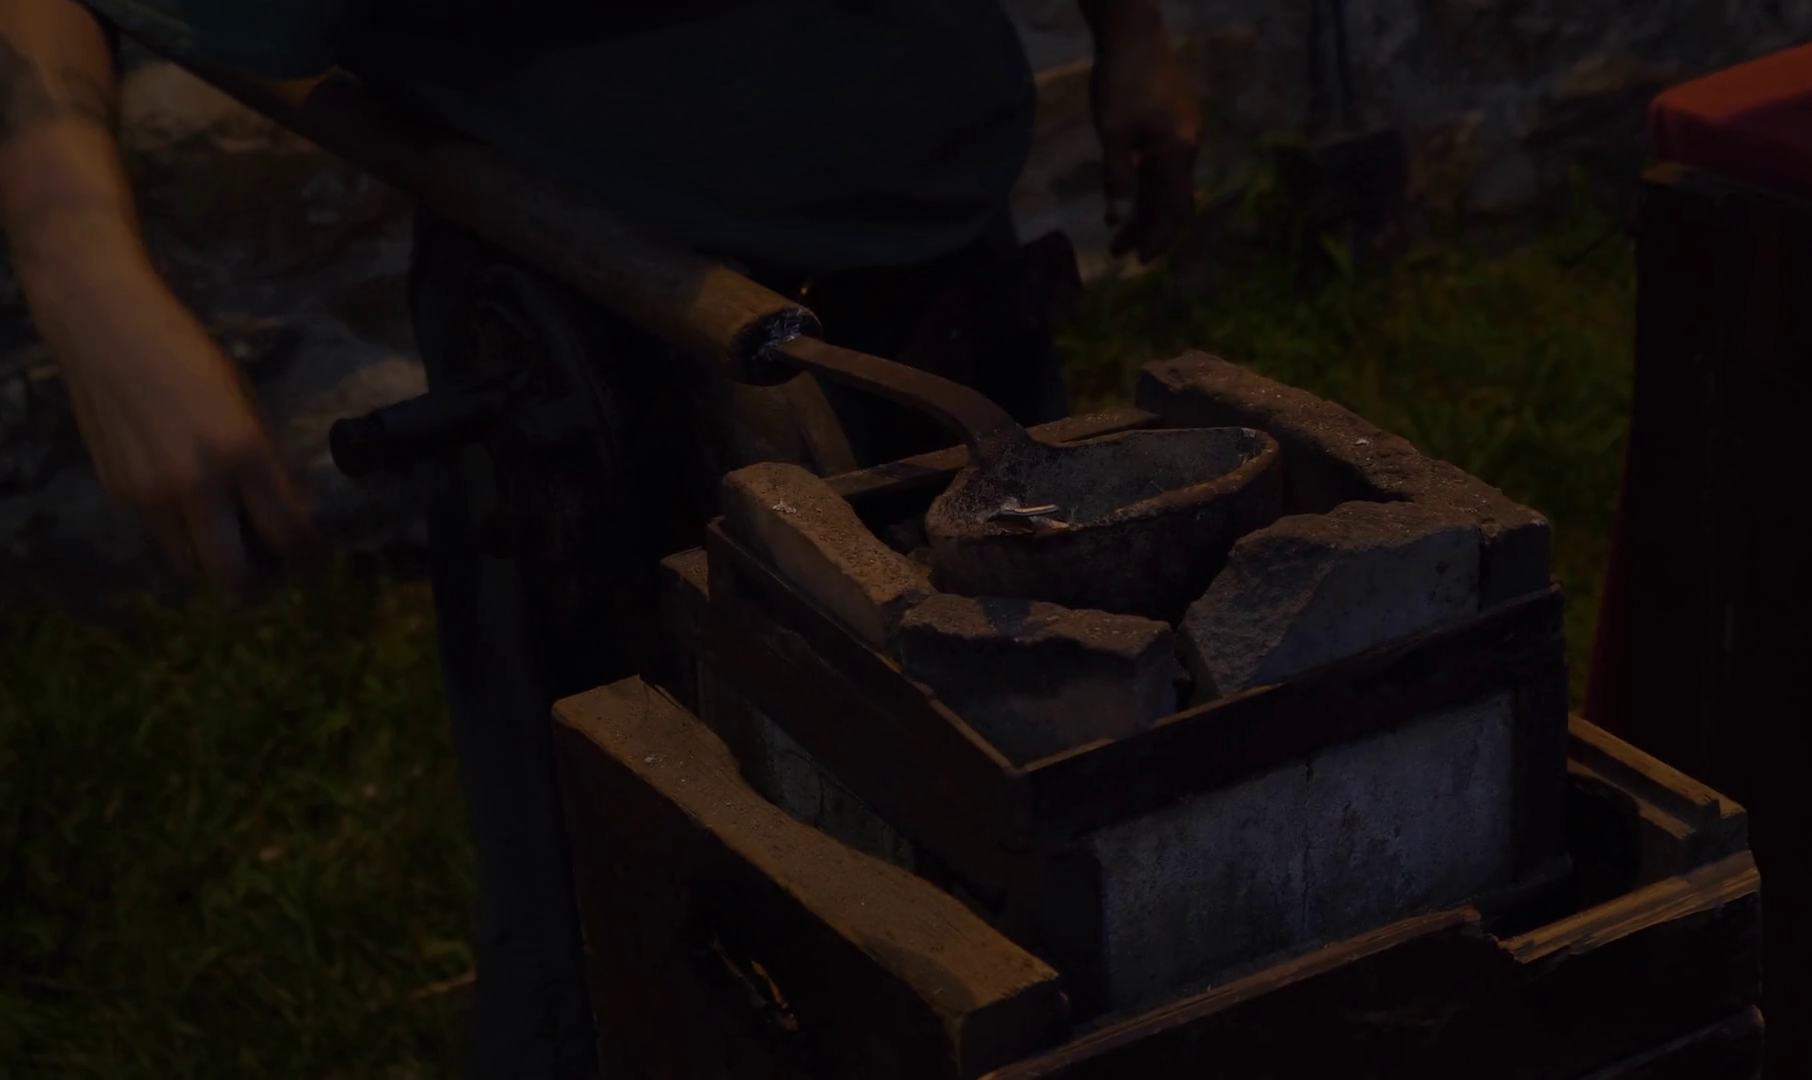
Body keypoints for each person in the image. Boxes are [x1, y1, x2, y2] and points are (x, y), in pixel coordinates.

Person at [0, 1, 1200, 1076]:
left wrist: (1134, 34)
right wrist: (82, 271)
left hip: (940, 244)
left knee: (1006, 829)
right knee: (637, 908)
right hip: (597, 331)